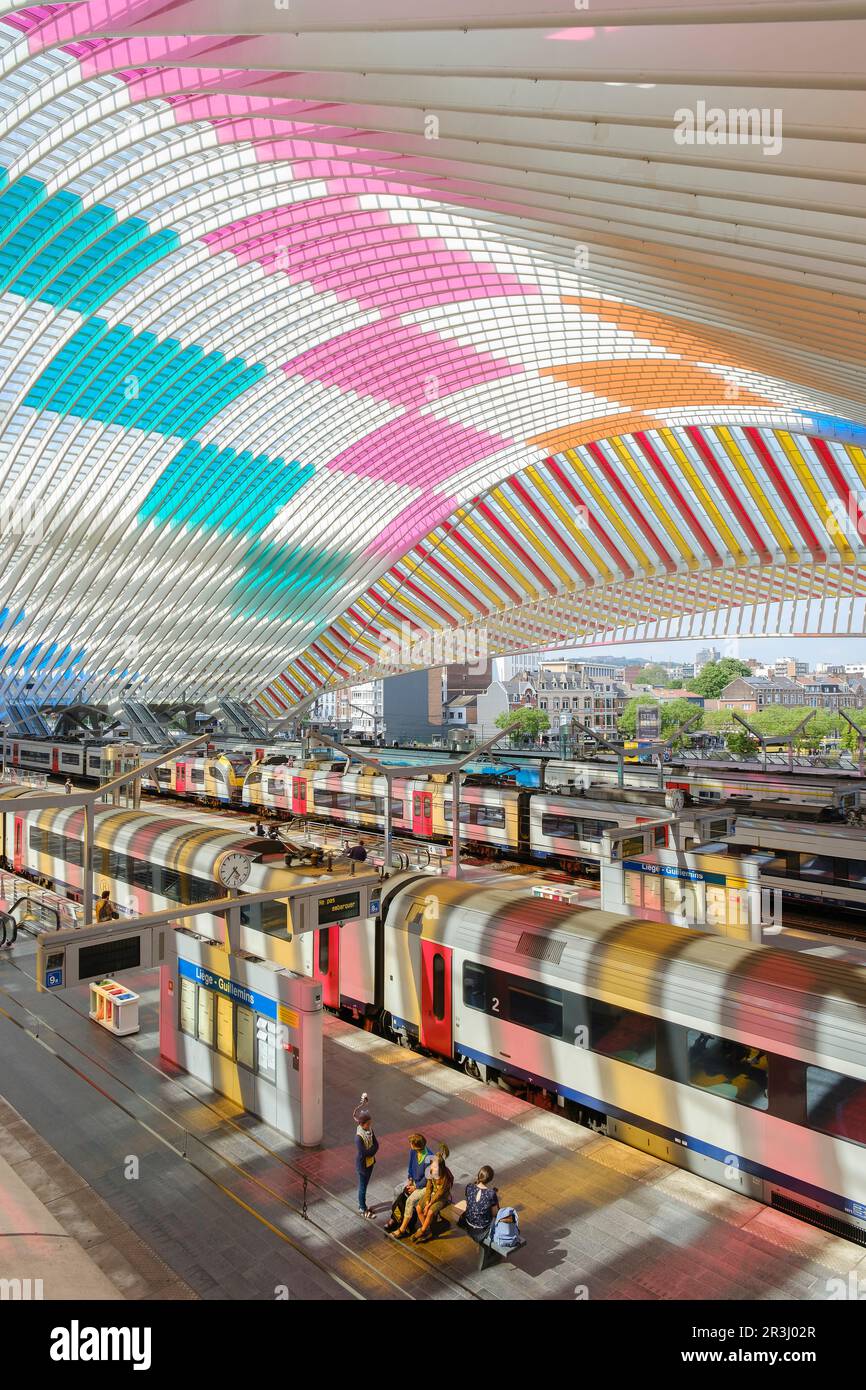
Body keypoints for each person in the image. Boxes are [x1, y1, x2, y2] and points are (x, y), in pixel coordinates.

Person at [385, 1133, 433, 1233]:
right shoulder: (413, 1151)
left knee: (410, 1200)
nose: (410, 1145)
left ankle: (405, 1223)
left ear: (417, 1146)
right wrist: (410, 1179)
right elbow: (410, 1166)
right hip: (414, 1180)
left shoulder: (429, 1157)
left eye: (411, 1144)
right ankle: (395, 1218)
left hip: (423, 1185)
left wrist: (416, 1187)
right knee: (397, 1190)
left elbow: (428, 1178)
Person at [410, 1145, 454, 1244]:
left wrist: (429, 1204)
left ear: (441, 1167)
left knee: (429, 1212)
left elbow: (439, 1194)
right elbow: (429, 1187)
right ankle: (426, 1229)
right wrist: (426, 1200)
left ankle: (421, 1231)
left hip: (441, 1198)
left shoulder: (445, 1178)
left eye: (435, 1166)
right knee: (418, 1208)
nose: (432, 1168)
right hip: (431, 1195)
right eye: (432, 1165)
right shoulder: (430, 1171)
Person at [458, 1166, 499, 1242]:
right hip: (481, 1228)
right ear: (490, 1179)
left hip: (468, 1222)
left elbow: (470, 1202)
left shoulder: (469, 1186)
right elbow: (495, 1213)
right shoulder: (491, 1194)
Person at [354, 1103, 379, 1219]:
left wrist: (372, 1150)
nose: (370, 1125)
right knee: (363, 1187)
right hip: (363, 1166)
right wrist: (372, 1150)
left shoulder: (370, 1130)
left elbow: (376, 1144)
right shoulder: (359, 1137)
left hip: (370, 1163)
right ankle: (362, 1208)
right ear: (362, 1124)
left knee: (365, 1185)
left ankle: (363, 1205)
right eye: (368, 1124)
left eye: (370, 1123)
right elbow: (364, 1153)